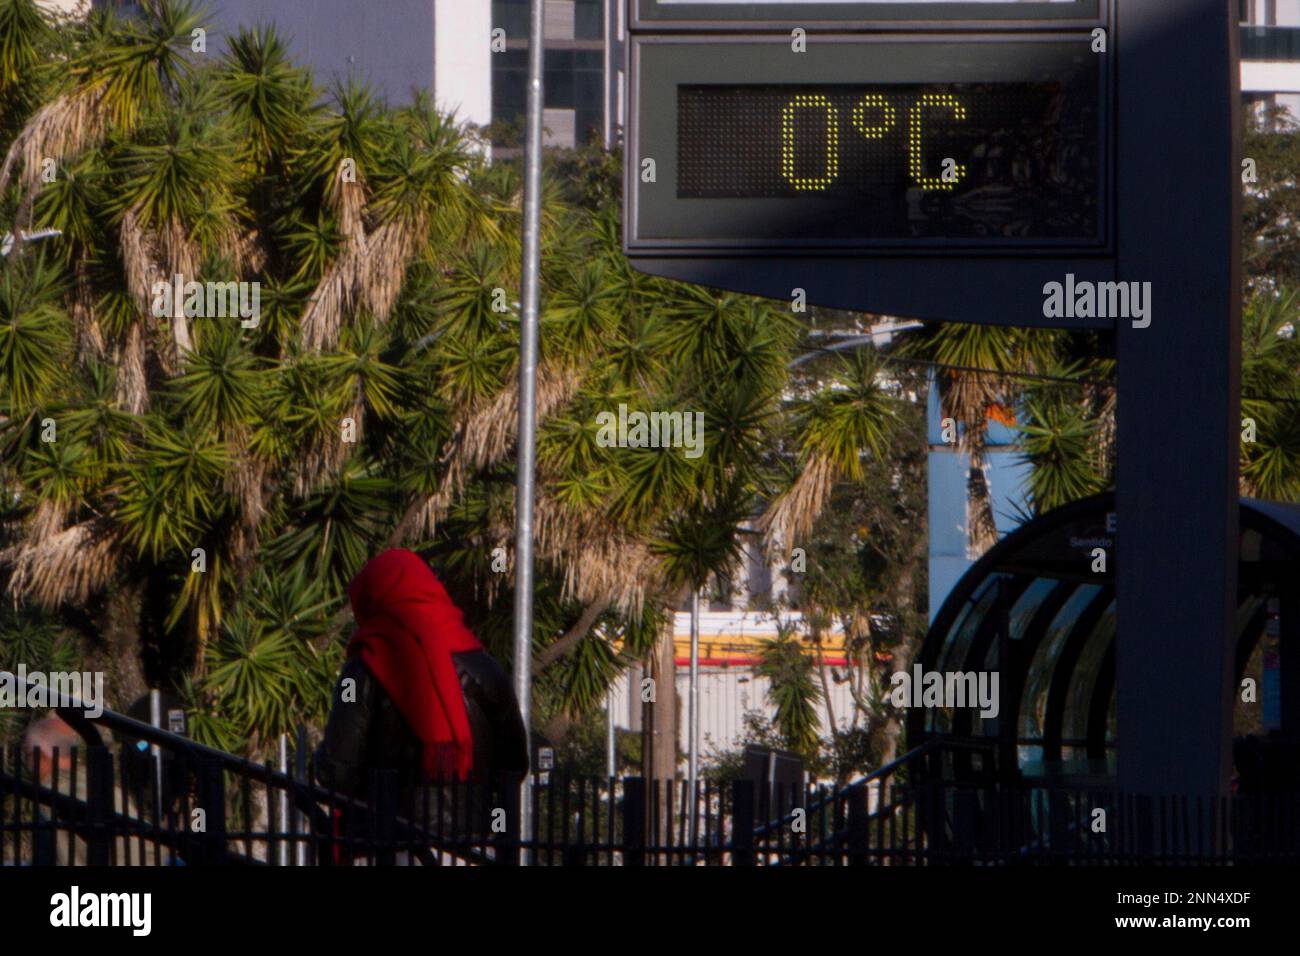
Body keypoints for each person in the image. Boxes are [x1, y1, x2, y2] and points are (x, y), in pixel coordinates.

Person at [314, 548, 529, 863]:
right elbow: (514, 766)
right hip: (467, 850)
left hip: (385, 847)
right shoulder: (485, 669)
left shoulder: (362, 671)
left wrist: (318, 765)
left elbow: (337, 770)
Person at [22, 714, 174, 865]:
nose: (28, 764)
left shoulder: (52, 796)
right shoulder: (103, 786)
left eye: (28, 756)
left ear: (40, 755)